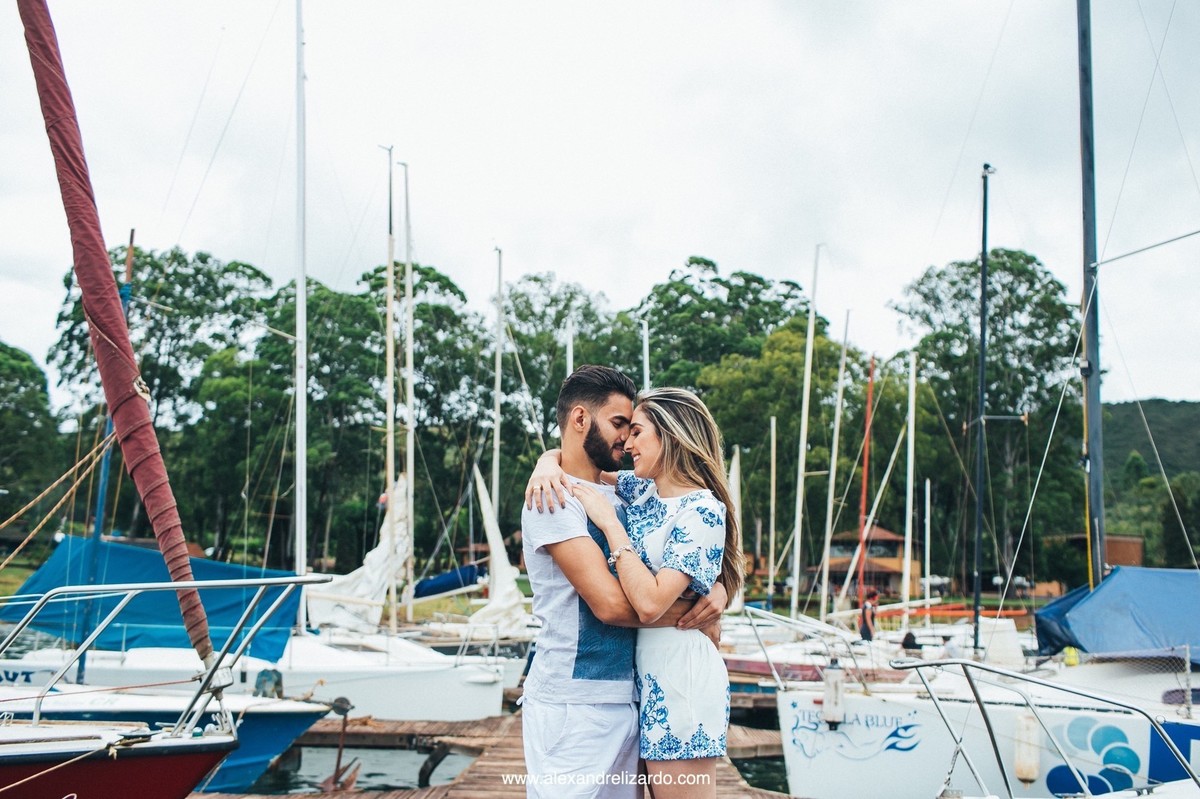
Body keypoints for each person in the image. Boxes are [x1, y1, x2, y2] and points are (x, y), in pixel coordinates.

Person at [519, 367, 726, 799]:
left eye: (634, 430)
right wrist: (691, 614)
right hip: (575, 701)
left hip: (632, 694)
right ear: (580, 420)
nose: (626, 441)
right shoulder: (552, 498)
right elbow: (612, 607)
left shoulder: (624, 491)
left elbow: (695, 529)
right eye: (619, 425)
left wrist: (720, 589)